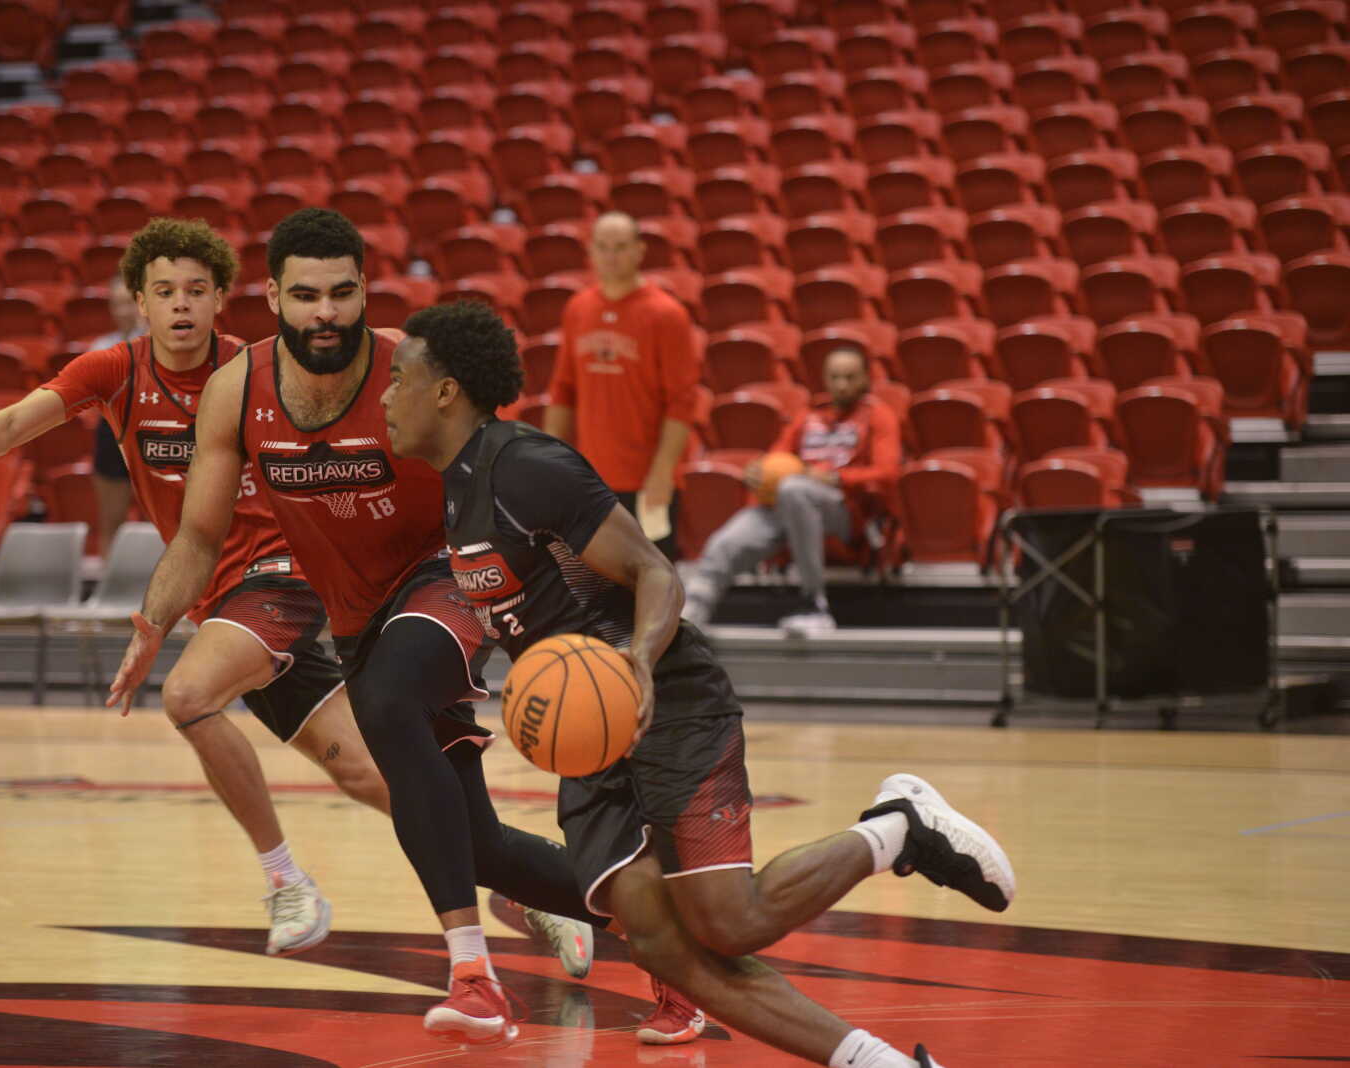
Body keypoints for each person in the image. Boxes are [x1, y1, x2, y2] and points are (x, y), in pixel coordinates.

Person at [380, 299, 1016, 1068]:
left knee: (730, 922)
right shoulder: (453, 489)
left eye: (399, 377)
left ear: (446, 390)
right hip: (591, 738)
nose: (387, 395)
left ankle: (899, 827)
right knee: (659, 941)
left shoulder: (527, 468)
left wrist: (640, 660)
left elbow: (657, 574)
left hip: (667, 699)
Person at [109, 208, 607, 1047]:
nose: (326, 312)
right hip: (355, 615)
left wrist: (566, 578)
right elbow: (196, 537)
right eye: (305, 295)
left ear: (365, 291)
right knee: (477, 843)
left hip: (450, 576)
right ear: (273, 298)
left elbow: (504, 467)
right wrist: (152, 623)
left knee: (386, 699)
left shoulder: (413, 367)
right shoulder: (237, 389)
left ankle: (474, 978)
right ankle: (662, 936)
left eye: (342, 293)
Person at [0, 219, 386, 957]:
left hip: (284, 573)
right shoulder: (115, 372)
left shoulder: (256, 368)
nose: (181, 304)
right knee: (364, 773)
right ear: (139, 302)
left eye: (196, 290)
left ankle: (286, 881)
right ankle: (520, 882)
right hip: (217, 599)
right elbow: (18, 421)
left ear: (221, 299)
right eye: (164, 291)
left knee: (187, 695)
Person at [683, 346, 902, 637]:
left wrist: (834, 478)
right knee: (728, 541)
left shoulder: (878, 415)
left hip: (845, 509)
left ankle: (814, 605)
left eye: (850, 377)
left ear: (865, 378)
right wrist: (758, 472)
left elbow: (887, 472)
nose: (842, 385)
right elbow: (777, 457)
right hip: (790, 502)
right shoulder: (808, 416)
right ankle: (690, 618)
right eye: (835, 377)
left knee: (795, 489)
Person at [543, 211, 700, 560]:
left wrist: (663, 472)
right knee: (596, 579)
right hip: (591, 479)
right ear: (591, 251)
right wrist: (552, 462)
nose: (611, 256)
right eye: (603, 247)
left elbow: (682, 401)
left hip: (648, 480)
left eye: (620, 247)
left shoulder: (666, 314)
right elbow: (563, 390)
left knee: (654, 579)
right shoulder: (578, 308)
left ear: (640, 250)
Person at [86, 275, 146, 553]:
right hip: (111, 434)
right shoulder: (100, 346)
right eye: (116, 304)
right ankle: (107, 578)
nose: (122, 311)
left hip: (151, 433)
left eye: (128, 303)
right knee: (111, 521)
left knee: (164, 521)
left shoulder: (160, 342)